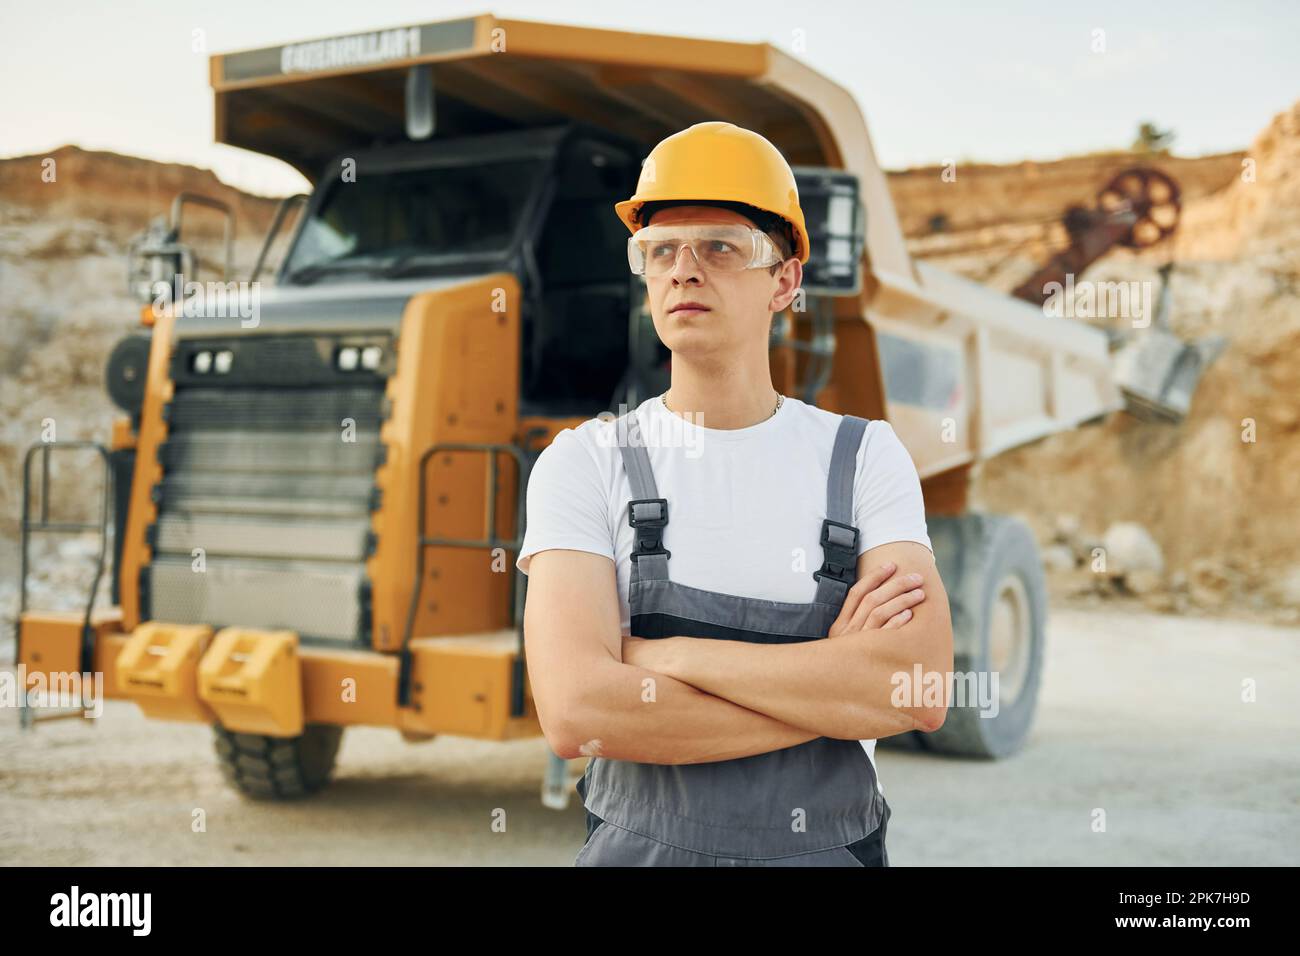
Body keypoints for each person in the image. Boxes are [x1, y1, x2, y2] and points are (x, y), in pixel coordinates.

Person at [516, 121, 953, 866]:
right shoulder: (585, 462)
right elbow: (578, 715)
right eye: (660, 251)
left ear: (784, 280)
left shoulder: (863, 456)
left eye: (720, 246)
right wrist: (830, 689)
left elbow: (914, 689)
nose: (684, 270)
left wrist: (669, 657)